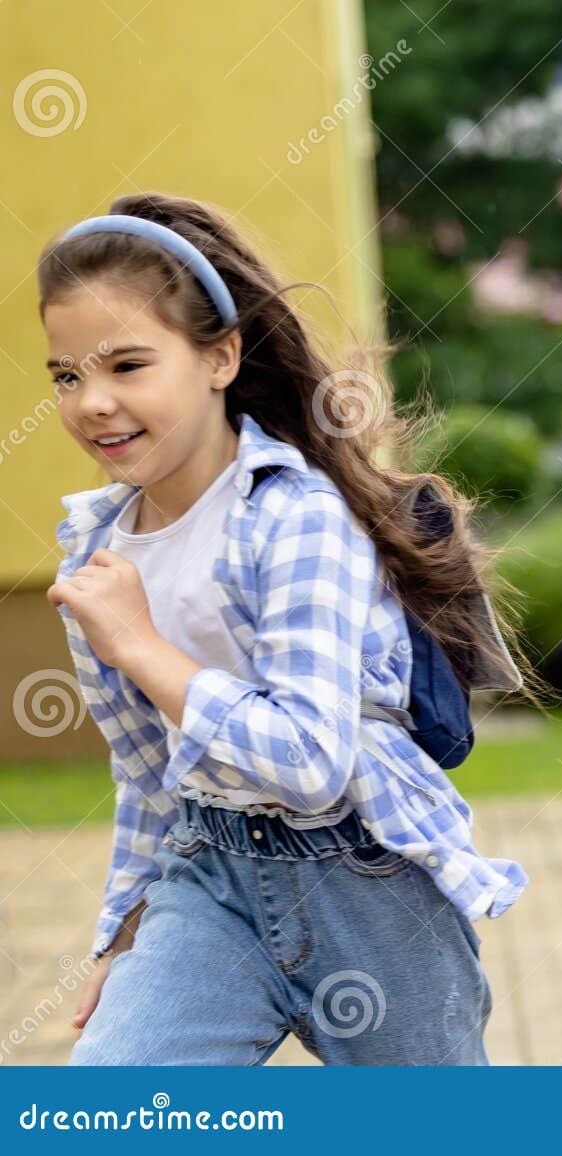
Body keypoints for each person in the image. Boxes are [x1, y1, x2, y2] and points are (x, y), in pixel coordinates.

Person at [42, 193, 526, 1065]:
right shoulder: (95, 548)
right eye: (67, 376)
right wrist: (125, 932)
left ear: (220, 356)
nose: (93, 404)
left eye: (127, 365)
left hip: (367, 883)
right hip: (210, 879)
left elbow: (310, 763)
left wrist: (142, 646)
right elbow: (146, 770)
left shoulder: (296, 518)